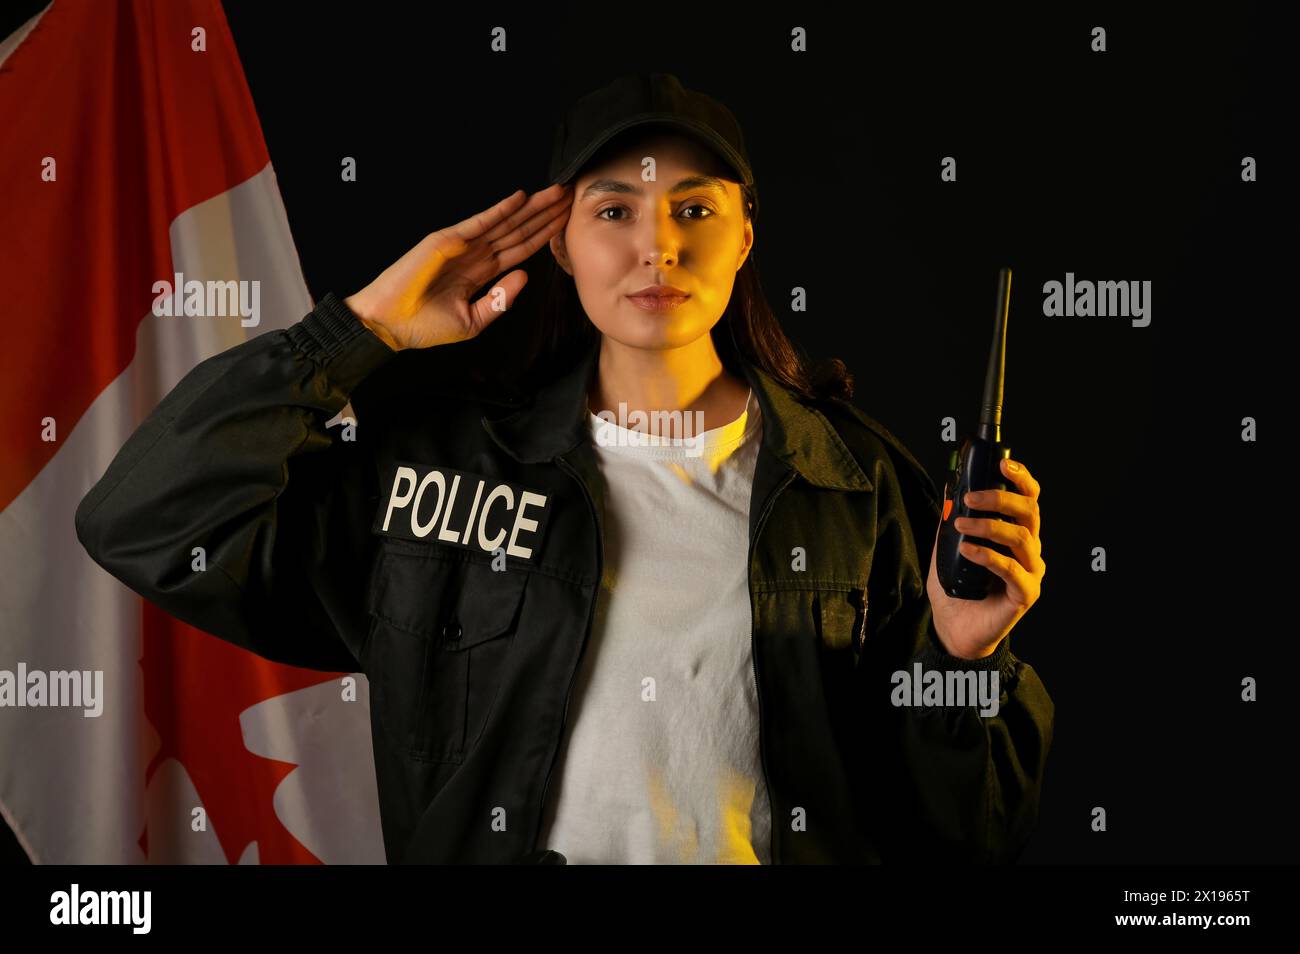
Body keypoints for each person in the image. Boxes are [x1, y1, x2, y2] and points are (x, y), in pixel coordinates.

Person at [75, 73, 1053, 864]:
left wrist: (964, 660)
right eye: (614, 208)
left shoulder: (859, 487)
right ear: (561, 241)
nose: (655, 247)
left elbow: (965, 832)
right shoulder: (437, 471)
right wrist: (358, 328)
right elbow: (144, 519)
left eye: (694, 209)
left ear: (746, 236)